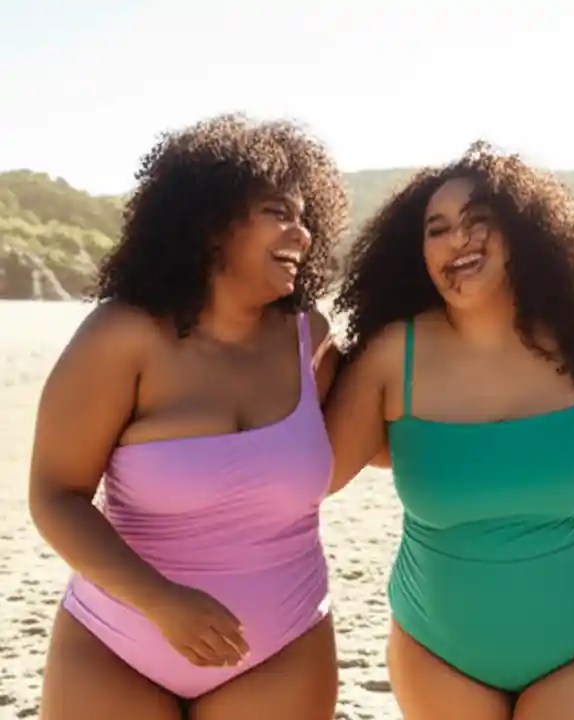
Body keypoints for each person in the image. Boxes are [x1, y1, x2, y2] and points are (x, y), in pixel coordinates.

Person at [28, 114, 349, 719]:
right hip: (114, 647)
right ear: (211, 224)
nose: (301, 234)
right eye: (279, 212)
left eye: (306, 218)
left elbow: (398, 417)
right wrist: (160, 601)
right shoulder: (123, 337)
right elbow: (55, 494)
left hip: (282, 651)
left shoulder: (312, 343)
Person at [322, 142, 574, 719]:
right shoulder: (390, 358)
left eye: (479, 221)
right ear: (418, 253)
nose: (459, 239)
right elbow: (314, 476)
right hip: (440, 651)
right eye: (438, 229)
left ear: (524, 236)